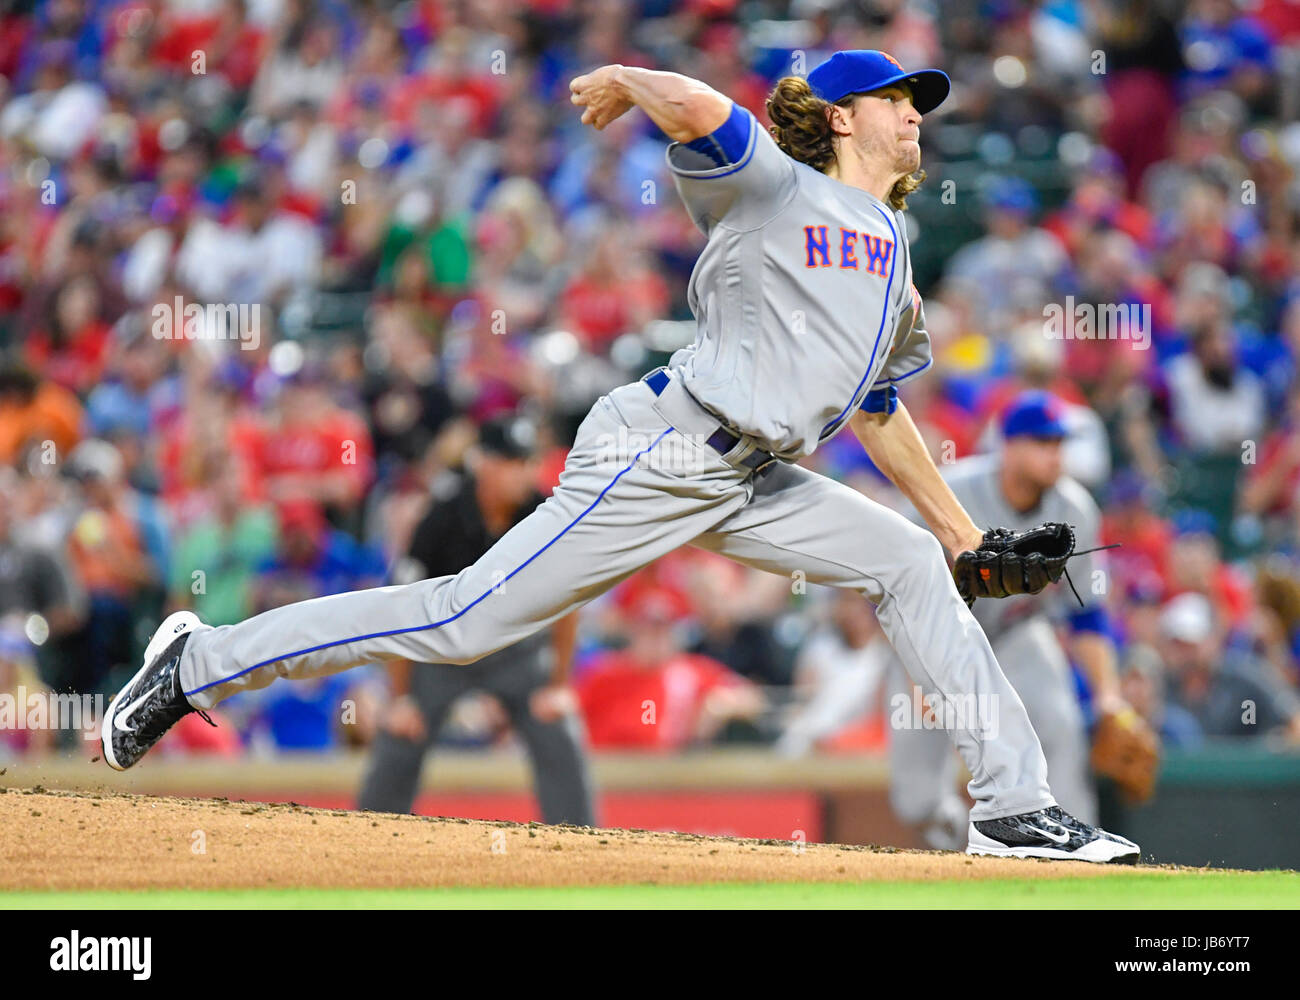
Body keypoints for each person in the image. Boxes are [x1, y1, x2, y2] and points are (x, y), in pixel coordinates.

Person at [103, 50, 1139, 862]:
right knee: (464, 618)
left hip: (754, 476)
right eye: (890, 96)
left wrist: (961, 536)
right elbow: (698, 106)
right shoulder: (777, 188)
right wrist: (628, 82)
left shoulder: (894, 258)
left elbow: (876, 406)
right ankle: (198, 660)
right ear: (839, 116)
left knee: (908, 562)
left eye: (917, 98)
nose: (914, 110)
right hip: (666, 448)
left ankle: (1013, 805)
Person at [884, 391, 1155, 847]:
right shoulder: (950, 493)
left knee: (1059, 725)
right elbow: (890, 582)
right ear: (1007, 445)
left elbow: (1086, 617)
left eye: (1059, 443)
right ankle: (959, 843)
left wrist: (1108, 697)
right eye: (1042, 442)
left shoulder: (1074, 509)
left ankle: (1073, 849)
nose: (1055, 454)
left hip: (1016, 633)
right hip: (931, 635)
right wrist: (918, 673)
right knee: (914, 798)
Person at [357, 415, 594, 825]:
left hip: (516, 653)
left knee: (558, 725)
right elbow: (401, 603)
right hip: (446, 650)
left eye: (525, 461)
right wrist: (400, 698)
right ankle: (371, 835)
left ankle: (583, 844)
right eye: (508, 461)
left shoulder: (545, 512)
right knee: (401, 730)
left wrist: (558, 686)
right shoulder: (441, 518)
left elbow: (569, 598)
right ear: (483, 462)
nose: (520, 472)